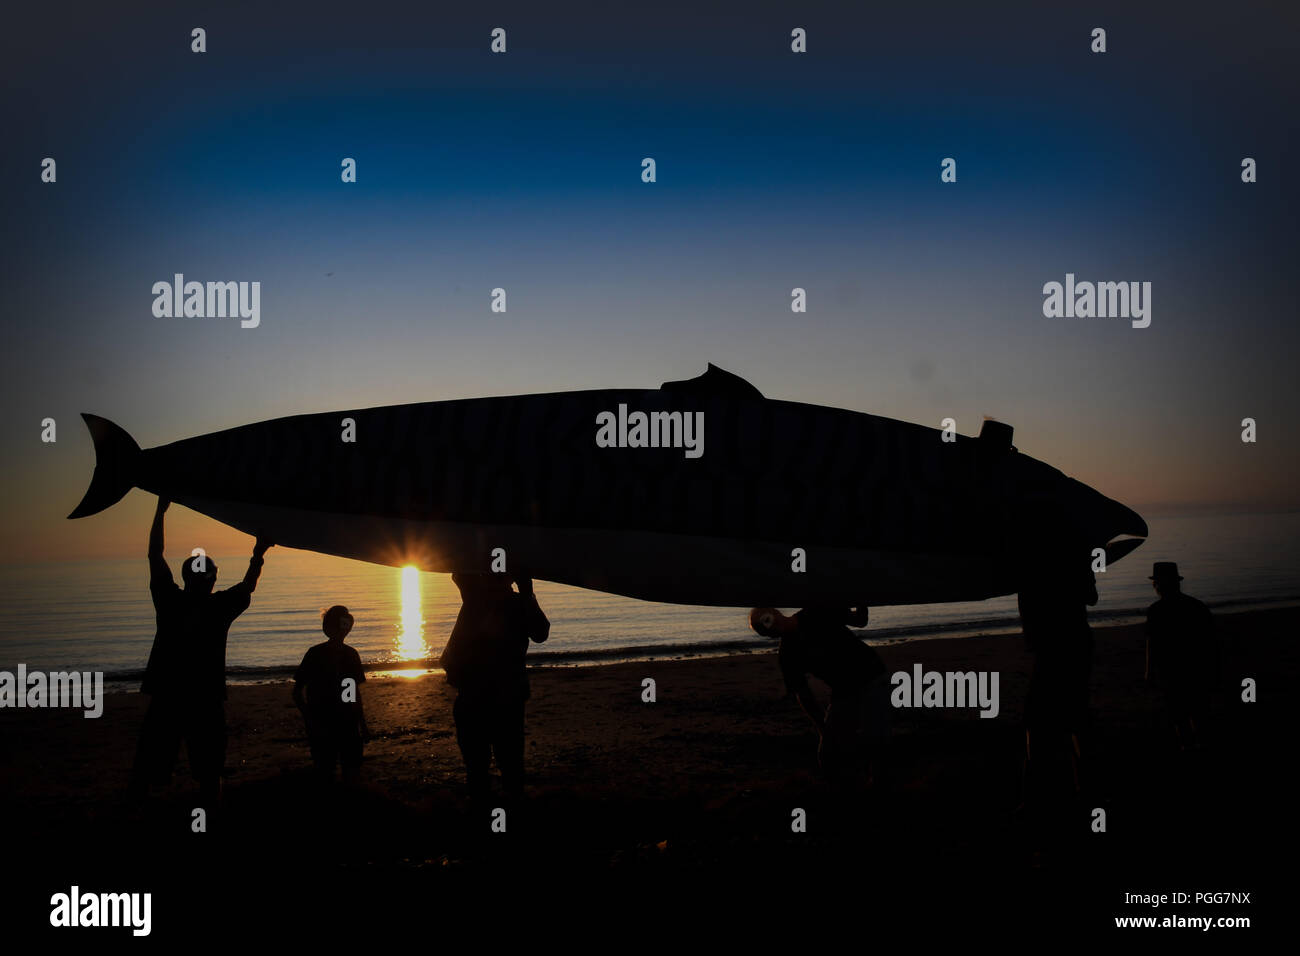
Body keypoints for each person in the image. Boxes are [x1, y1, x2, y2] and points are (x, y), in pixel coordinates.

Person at [130, 496, 272, 808]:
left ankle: (142, 817)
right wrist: (257, 554)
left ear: (186, 577)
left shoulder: (169, 601)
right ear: (212, 579)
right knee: (208, 769)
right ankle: (207, 819)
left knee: (152, 764)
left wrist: (160, 510)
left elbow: (154, 554)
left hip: (167, 695)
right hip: (205, 698)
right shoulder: (218, 607)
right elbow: (248, 587)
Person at [440, 572, 549, 806]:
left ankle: (502, 808)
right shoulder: (478, 600)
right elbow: (460, 574)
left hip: (497, 697)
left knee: (501, 762)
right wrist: (527, 591)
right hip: (484, 696)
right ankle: (492, 807)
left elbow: (540, 633)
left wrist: (527, 592)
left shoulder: (498, 602)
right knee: (484, 763)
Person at [749, 606, 889, 787]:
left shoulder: (815, 611)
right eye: (763, 631)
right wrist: (823, 727)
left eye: (766, 621)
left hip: (872, 675)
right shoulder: (787, 654)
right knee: (829, 754)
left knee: (876, 741)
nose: (769, 629)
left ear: (776, 612)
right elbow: (803, 694)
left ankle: (880, 788)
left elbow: (860, 621)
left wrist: (859, 596)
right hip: (844, 691)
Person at [1015, 542, 1097, 848]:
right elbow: (1092, 597)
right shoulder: (1072, 561)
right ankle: (1080, 792)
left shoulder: (1031, 563)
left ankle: (1038, 799)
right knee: (1072, 719)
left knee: (1039, 724)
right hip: (1074, 646)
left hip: (1058, 650)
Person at [1145, 562, 1217, 750]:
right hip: (1197, 670)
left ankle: (1189, 748)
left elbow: (1152, 644)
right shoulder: (1197, 606)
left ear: (1157, 585)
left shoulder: (1156, 611)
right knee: (1200, 714)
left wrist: (1149, 672)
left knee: (1180, 717)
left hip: (1171, 672)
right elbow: (1211, 640)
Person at [293, 605, 370, 784]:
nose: (343, 630)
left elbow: (351, 694)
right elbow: (297, 691)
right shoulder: (315, 654)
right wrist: (309, 717)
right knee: (326, 772)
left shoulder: (349, 655)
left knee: (347, 772)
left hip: (345, 723)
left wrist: (361, 724)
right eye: (340, 625)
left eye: (346, 625)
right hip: (323, 722)